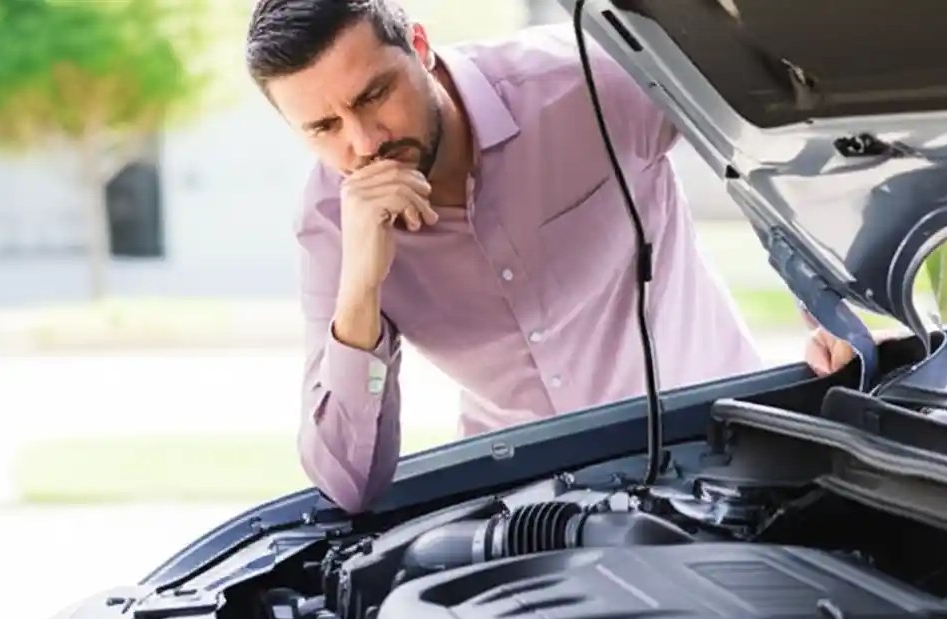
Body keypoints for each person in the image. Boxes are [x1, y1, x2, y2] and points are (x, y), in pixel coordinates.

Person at [244, 0, 858, 513]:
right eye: (324, 127)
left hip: (718, 450)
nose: (365, 141)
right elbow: (349, 483)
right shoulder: (332, 223)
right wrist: (361, 291)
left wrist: (835, 309)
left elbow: (787, 150)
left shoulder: (585, 83)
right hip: (531, 512)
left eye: (376, 94)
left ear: (421, 46)